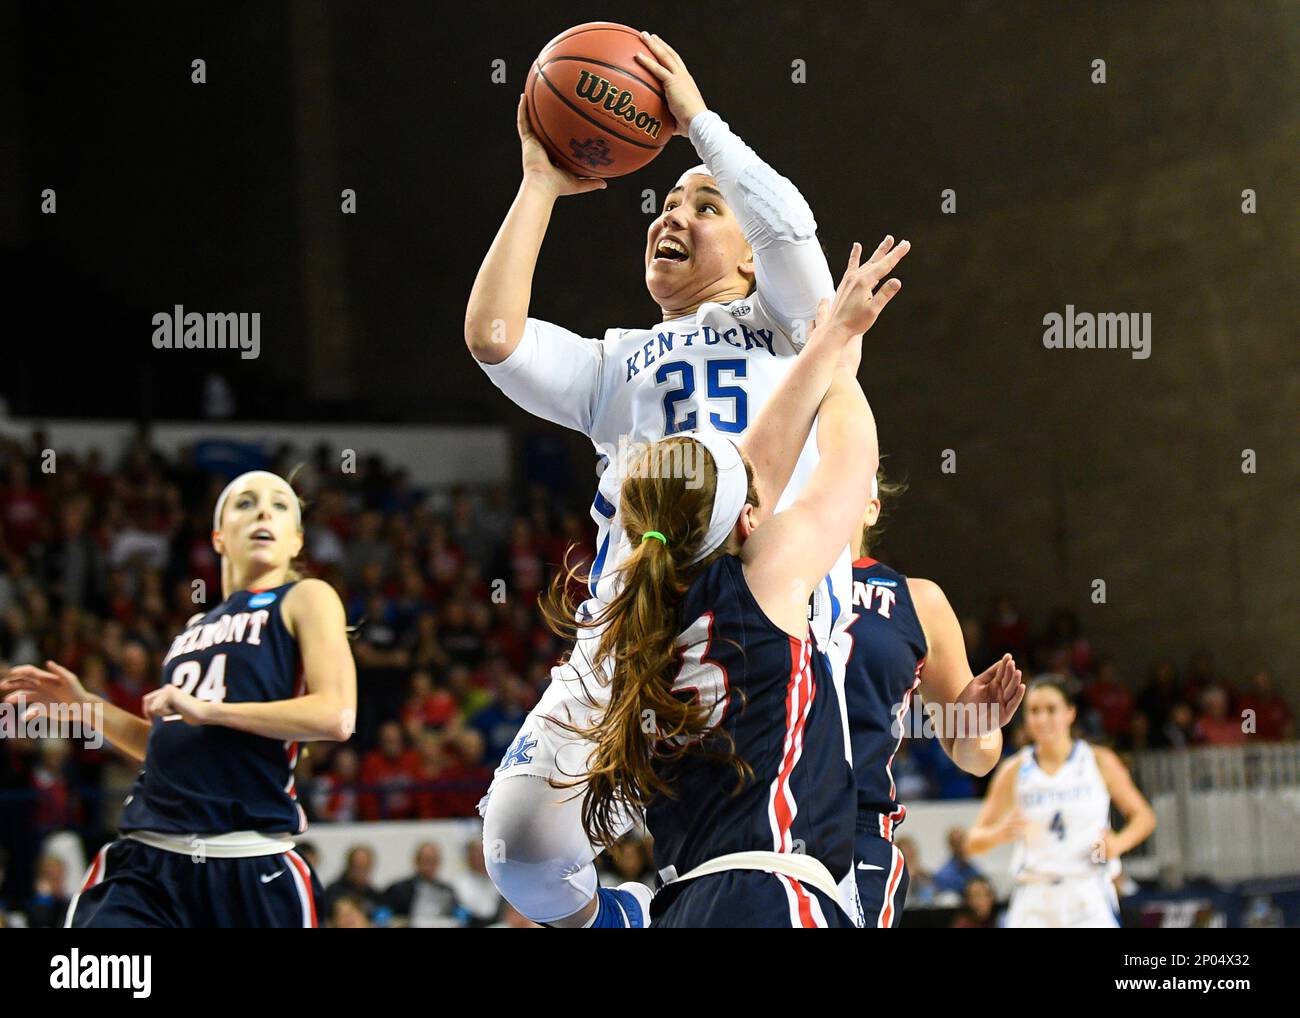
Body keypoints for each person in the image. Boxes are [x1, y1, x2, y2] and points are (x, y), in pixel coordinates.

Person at [468, 28, 907, 927]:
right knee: (519, 845)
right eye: (665, 201)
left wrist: (701, 123)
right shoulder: (614, 364)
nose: (674, 213)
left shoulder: (790, 327)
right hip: (637, 622)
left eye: (705, 205)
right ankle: (617, 918)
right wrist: (541, 185)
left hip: (763, 604)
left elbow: (788, 226)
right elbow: (494, 337)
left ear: (746, 257)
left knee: (757, 844)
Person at [542, 242, 897, 926]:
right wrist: (839, 353)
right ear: (743, 517)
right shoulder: (767, 577)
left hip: (681, 902)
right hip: (773, 890)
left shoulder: (635, 628)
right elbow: (852, 467)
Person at [2, 471, 356, 927]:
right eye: (245, 503)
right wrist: (84, 706)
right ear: (219, 537)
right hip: (147, 863)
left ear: (296, 541)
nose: (264, 511)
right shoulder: (192, 629)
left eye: (280, 505)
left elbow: (336, 715)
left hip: (251, 864)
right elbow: (166, 746)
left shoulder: (305, 597)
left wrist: (212, 712)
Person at [838, 487, 1025, 927]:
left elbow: (974, 755)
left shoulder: (917, 600)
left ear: (871, 508)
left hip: (856, 828)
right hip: (759, 819)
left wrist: (978, 723)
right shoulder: (764, 579)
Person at [963, 677, 1157, 927]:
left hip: (1087, 893)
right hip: (1033, 897)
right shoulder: (1014, 769)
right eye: (1034, 711)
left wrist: (1118, 843)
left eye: (1051, 710)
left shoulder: (1098, 761)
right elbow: (972, 842)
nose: (1042, 719)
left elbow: (1144, 817)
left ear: (1070, 713)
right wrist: (999, 833)